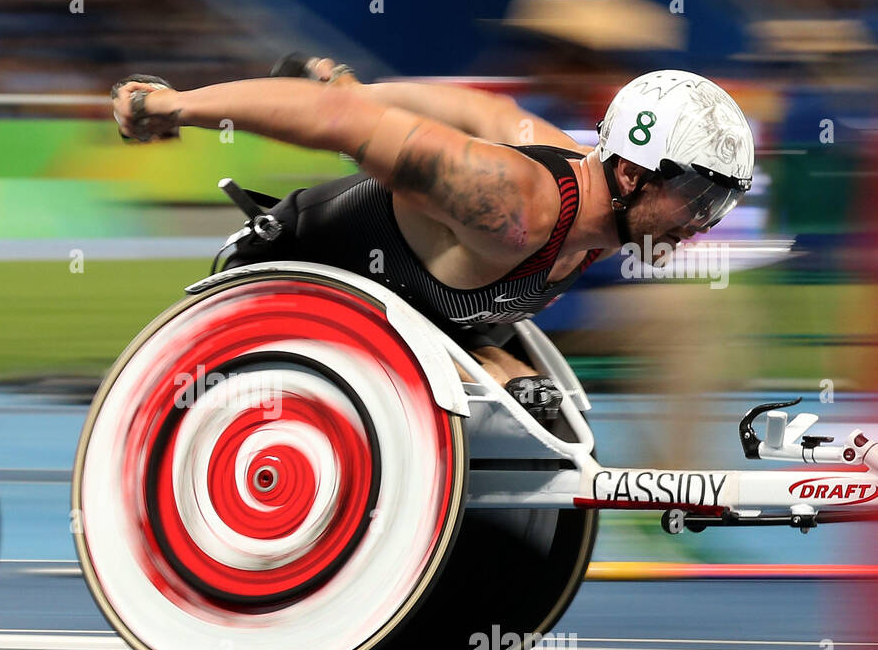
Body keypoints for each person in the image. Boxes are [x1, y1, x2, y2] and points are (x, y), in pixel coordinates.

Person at [111, 62, 754, 408]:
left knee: (531, 401)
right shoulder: (509, 199)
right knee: (509, 396)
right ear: (633, 172)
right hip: (281, 295)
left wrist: (362, 89)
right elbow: (338, 122)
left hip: (421, 320)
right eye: (697, 196)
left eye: (719, 203)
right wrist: (175, 107)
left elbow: (485, 112)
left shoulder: (584, 199)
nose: (703, 222)